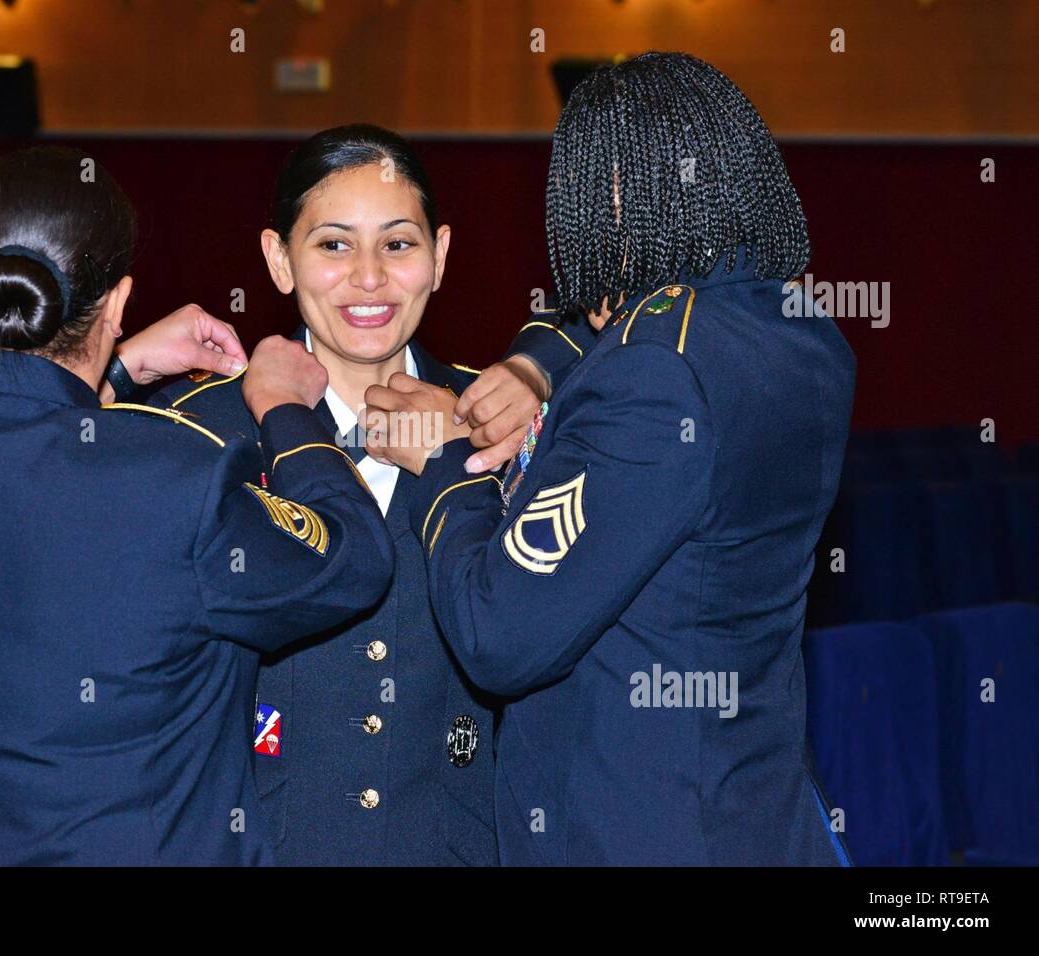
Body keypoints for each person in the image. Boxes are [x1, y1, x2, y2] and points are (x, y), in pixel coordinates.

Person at [0, 146, 394, 866]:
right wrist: (285, 410)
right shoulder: (180, 481)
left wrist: (116, 365)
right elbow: (354, 559)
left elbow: (14, 451)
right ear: (116, 300)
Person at [366, 53, 856, 865]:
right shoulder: (804, 332)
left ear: (612, 194)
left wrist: (447, 462)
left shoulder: (653, 372)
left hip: (632, 821)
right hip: (751, 803)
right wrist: (536, 368)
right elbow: (607, 324)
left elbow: (500, 632)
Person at [138, 125, 546, 865]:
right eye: (332, 245)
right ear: (278, 259)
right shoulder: (202, 435)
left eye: (397, 244)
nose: (368, 278)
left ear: (440, 256)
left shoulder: (502, 424)